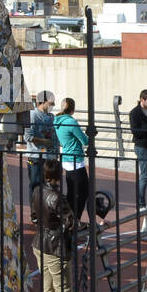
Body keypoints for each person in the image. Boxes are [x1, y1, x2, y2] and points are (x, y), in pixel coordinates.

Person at [31, 159, 75, 292]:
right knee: (64, 290)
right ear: (59, 175)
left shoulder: (37, 191)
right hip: (54, 248)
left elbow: (34, 218)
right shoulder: (57, 197)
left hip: (38, 243)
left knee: (48, 287)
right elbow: (72, 223)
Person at [52, 97, 90, 226]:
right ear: (72, 109)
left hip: (67, 158)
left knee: (72, 192)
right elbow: (84, 140)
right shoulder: (71, 122)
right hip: (75, 159)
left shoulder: (58, 121)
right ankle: (75, 220)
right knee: (83, 192)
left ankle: (68, 219)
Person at [24, 90, 59, 200]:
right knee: (36, 187)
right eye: (51, 102)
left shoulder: (51, 117)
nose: (53, 105)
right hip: (36, 158)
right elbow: (28, 137)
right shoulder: (32, 115)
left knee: (50, 188)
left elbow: (55, 136)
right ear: (43, 102)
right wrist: (45, 142)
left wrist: (56, 153)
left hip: (50, 158)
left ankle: (45, 212)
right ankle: (35, 214)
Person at [129, 89, 147, 210]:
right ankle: (141, 203)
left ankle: (146, 201)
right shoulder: (134, 113)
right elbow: (135, 131)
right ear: (142, 99)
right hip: (142, 147)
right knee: (145, 175)